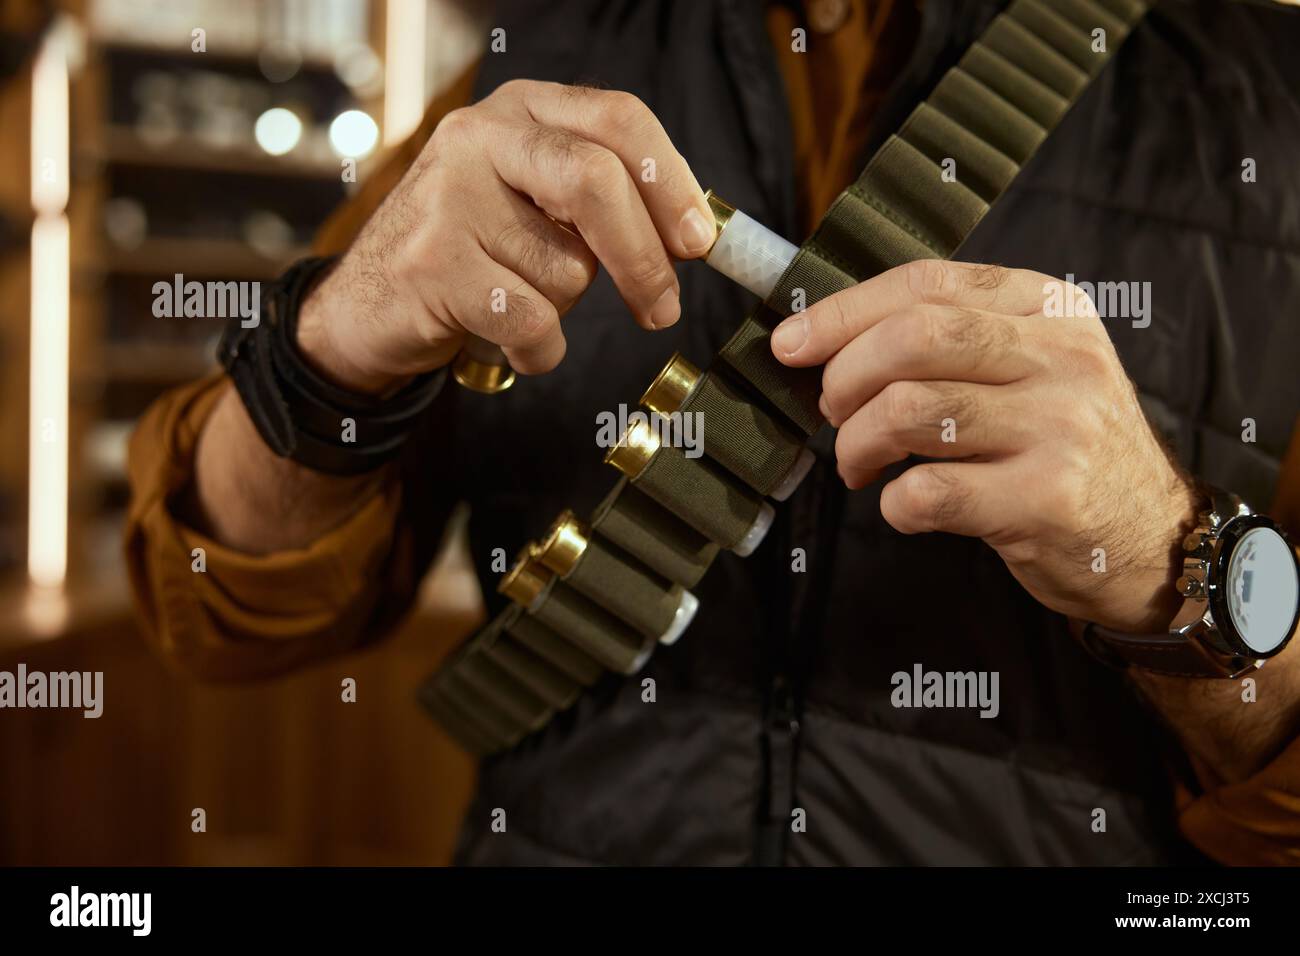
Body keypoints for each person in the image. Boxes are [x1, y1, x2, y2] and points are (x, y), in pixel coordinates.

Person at [125, 0, 1300, 864]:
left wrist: (1163, 552)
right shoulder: (531, 65)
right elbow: (214, 609)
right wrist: (329, 346)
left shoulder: (1271, 111)